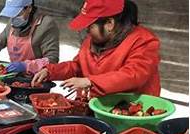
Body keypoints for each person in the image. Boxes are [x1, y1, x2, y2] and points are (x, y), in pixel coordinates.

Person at [32, 0, 161, 97]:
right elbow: (78, 66)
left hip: (132, 114)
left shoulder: (143, 41)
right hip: (97, 106)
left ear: (109, 24)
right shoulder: (92, 40)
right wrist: (50, 71)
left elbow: (133, 74)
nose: (87, 30)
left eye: (90, 26)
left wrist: (90, 82)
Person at [0, 0, 59, 75]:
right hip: (14, 76)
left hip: (37, 79)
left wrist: (26, 66)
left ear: (29, 8)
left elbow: (52, 60)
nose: (14, 17)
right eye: (11, 14)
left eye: (18, 14)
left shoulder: (46, 24)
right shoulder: (14, 21)